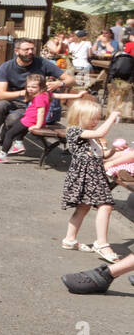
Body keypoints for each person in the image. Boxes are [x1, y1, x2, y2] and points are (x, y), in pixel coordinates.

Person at [0, 39, 73, 159]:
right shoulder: (6, 67)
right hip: (11, 100)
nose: (30, 52)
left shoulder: (42, 63)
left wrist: (59, 84)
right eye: (26, 49)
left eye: (32, 49)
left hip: (30, 106)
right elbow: (1, 95)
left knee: (12, 119)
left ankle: (2, 142)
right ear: (17, 51)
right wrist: (24, 92)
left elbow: (70, 79)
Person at [60, 99, 122, 264]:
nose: (96, 121)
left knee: (84, 207)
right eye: (93, 118)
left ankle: (70, 239)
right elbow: (101, 133)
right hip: (87, 175)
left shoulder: (90, 136)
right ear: (79, 117)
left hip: (93, 174)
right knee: (106, 205)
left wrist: (114, 151)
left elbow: (101, 155)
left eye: (98, 118)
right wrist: (112, 117)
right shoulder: (74, 131)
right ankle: (101, 244)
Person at [0, 73, 49, 162]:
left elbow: (41, 112)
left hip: (30, 121)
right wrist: (76, 95)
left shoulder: (39, 98)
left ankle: (2, 155)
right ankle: (18, 144)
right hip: (29, 119)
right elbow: (60, 96)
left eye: (34, 87)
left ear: (41, 87)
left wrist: (38, 125)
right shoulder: (45, 94)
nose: (30, 89)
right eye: (28, 86)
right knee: (18, 125)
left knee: (9, 134)